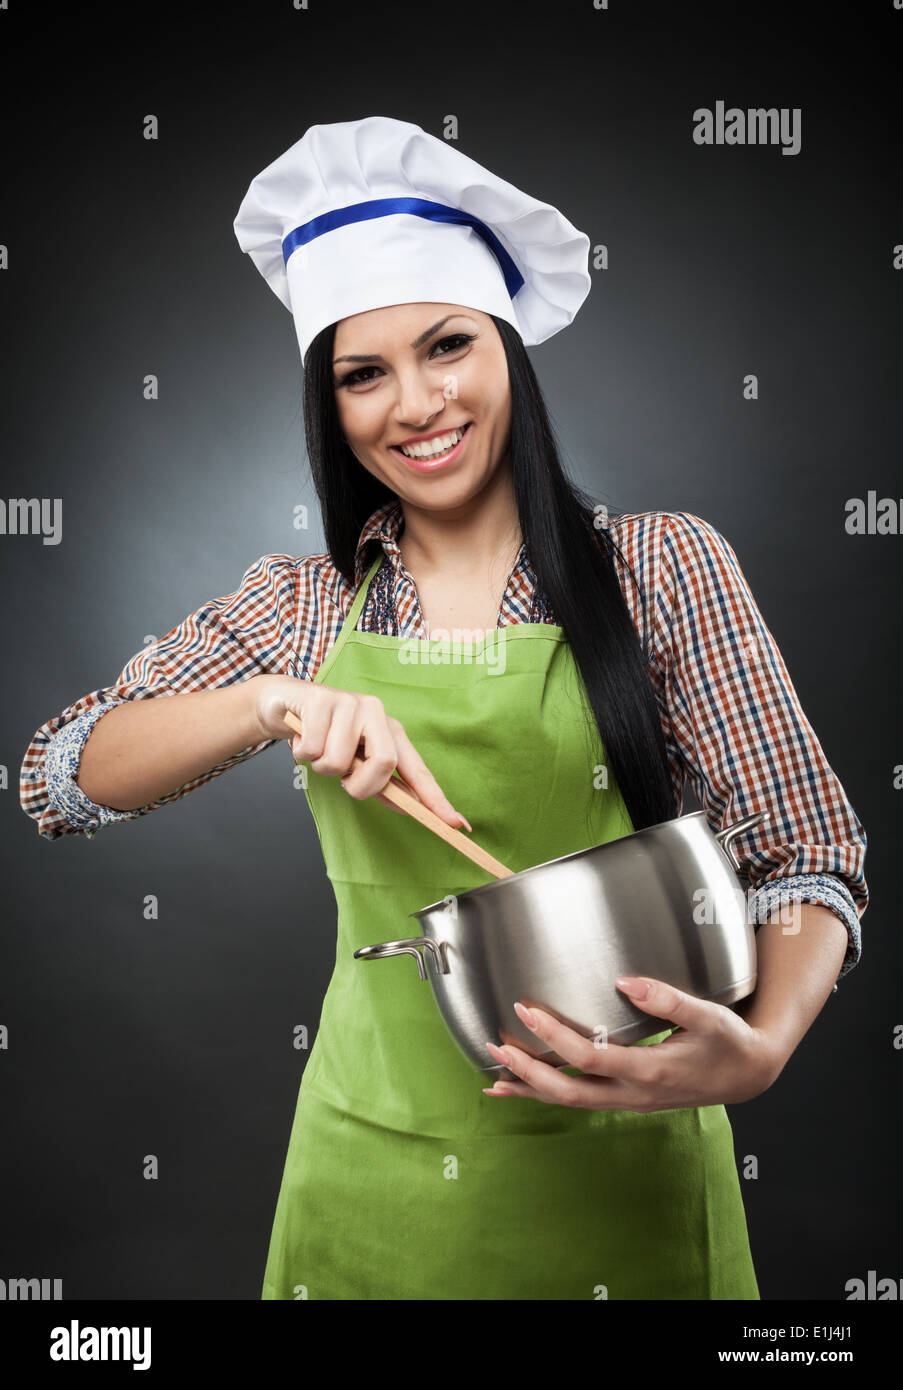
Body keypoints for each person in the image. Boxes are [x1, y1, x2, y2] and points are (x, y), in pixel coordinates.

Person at [20, 116, 868, 1300]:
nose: (415, 404)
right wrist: (273, 702)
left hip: (632, 1177)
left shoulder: (663, 569)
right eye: (363, 375)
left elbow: (806, 851)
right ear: (332, 406)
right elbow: (56, 778)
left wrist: (761, 1047)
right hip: (373, 1185)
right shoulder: (300, 608)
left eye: (447, 346)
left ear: (509, 349)